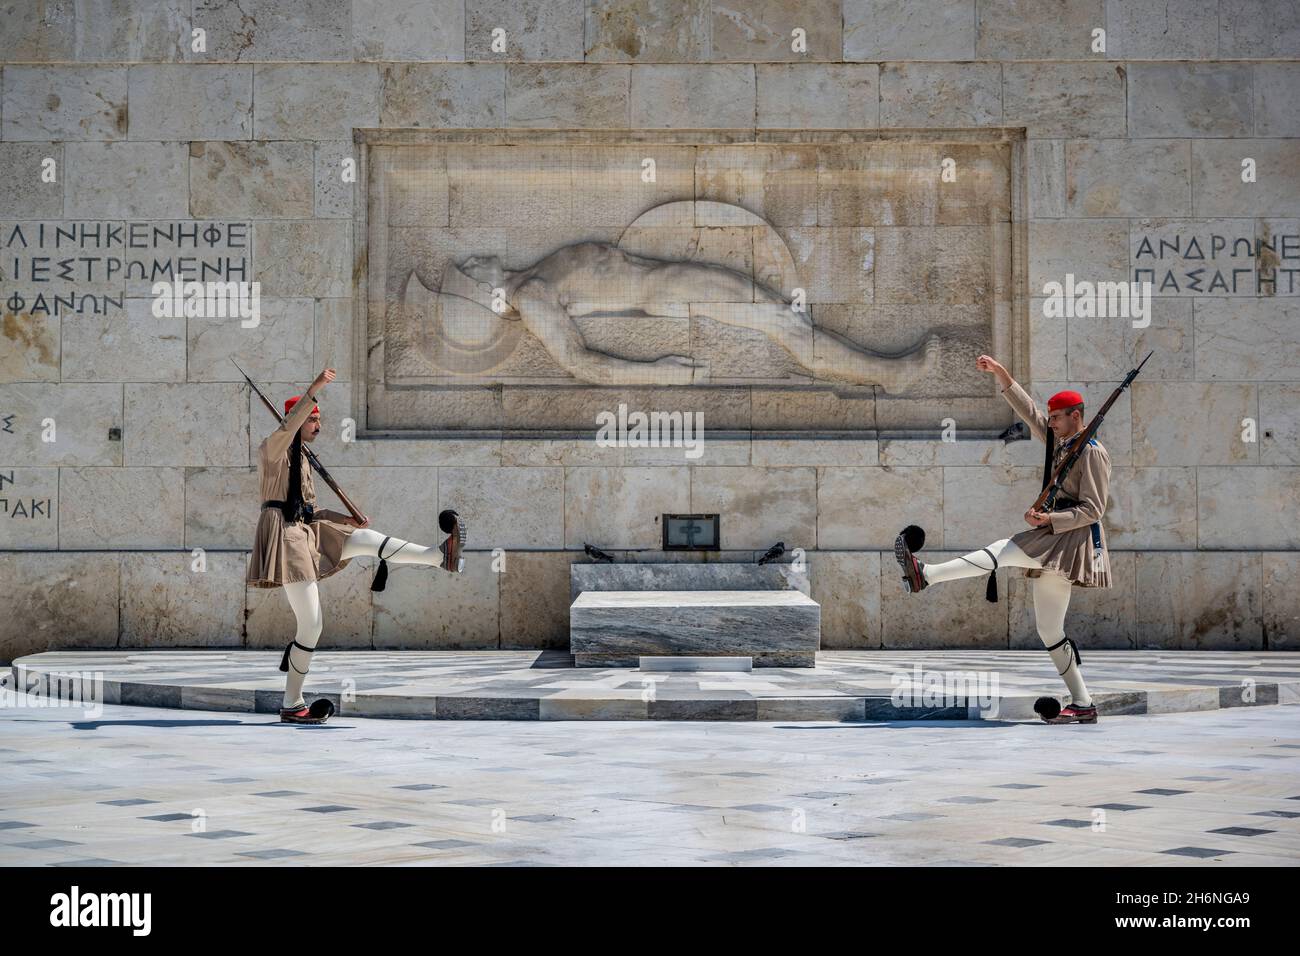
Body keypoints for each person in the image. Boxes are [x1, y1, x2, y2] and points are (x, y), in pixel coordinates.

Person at [894, 354, 1111, 725]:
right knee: (1049, 629)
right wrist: (1002, 374)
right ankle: (1083, 703)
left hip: (1069, 540)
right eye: (1051, 418)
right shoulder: (1060, 442)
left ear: (1076, 415)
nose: (1050, 423)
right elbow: (1030, 413)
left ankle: (926, 575)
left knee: (1003, 550)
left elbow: (1094, 509)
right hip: (1055, 536)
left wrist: (1050, 519)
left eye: (1057, 417)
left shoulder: (1091, 452)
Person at [246, 367, 464, 724]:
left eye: (318, 418)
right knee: (311, 626)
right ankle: (292, 703)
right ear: (295, 419)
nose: (318, 424)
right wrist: (316, 387)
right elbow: (288, 430)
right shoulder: (272, 449)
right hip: (286, 538)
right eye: (312, 418)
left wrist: (344, 519)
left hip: (307, 530)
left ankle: (439, 557)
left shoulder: (302, 460)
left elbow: (310, 510)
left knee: (364, 538)